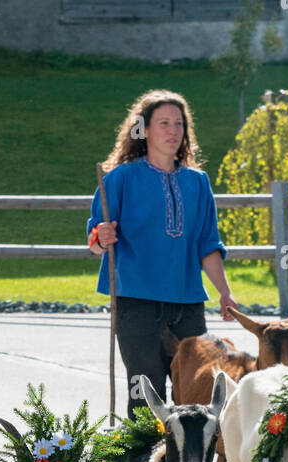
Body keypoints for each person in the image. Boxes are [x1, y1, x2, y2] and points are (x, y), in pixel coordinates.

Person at [87, 90, 236, 417]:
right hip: (135, 302)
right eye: (164, 123)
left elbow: (207, 243)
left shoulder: (198, 182)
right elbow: (96, 235)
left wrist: (225, 292)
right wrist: (102, 236)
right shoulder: (120, 178)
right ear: (144, 129)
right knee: (145, 391)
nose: (173, 131)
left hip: (187, 304)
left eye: (179, 124)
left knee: (195, 389)